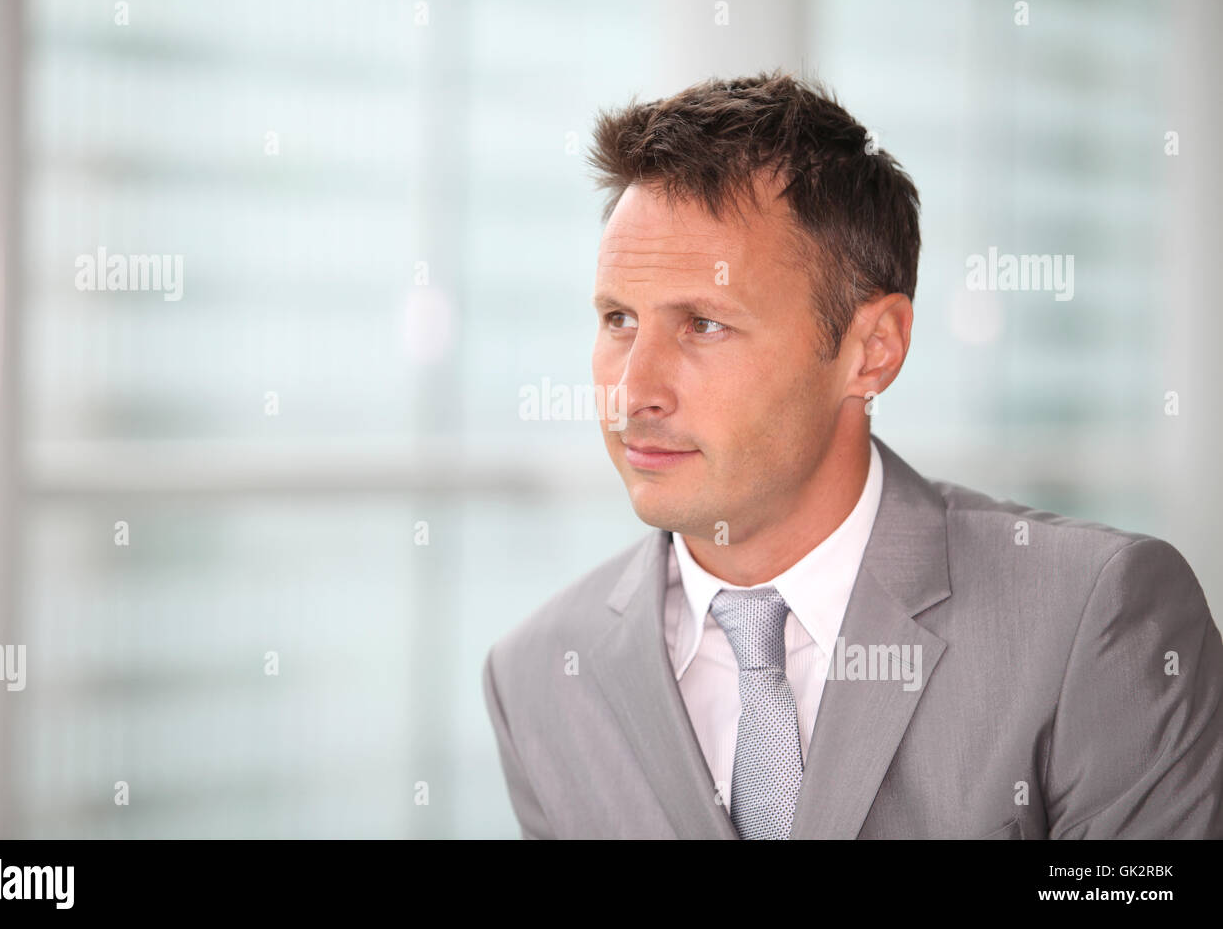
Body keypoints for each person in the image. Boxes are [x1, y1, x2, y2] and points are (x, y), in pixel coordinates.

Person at [481, 71, 1223, 839]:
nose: (633, 392)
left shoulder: (1094, 621)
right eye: (619, 319)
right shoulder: (536, 677)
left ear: (873, 350)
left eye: (703, 324)